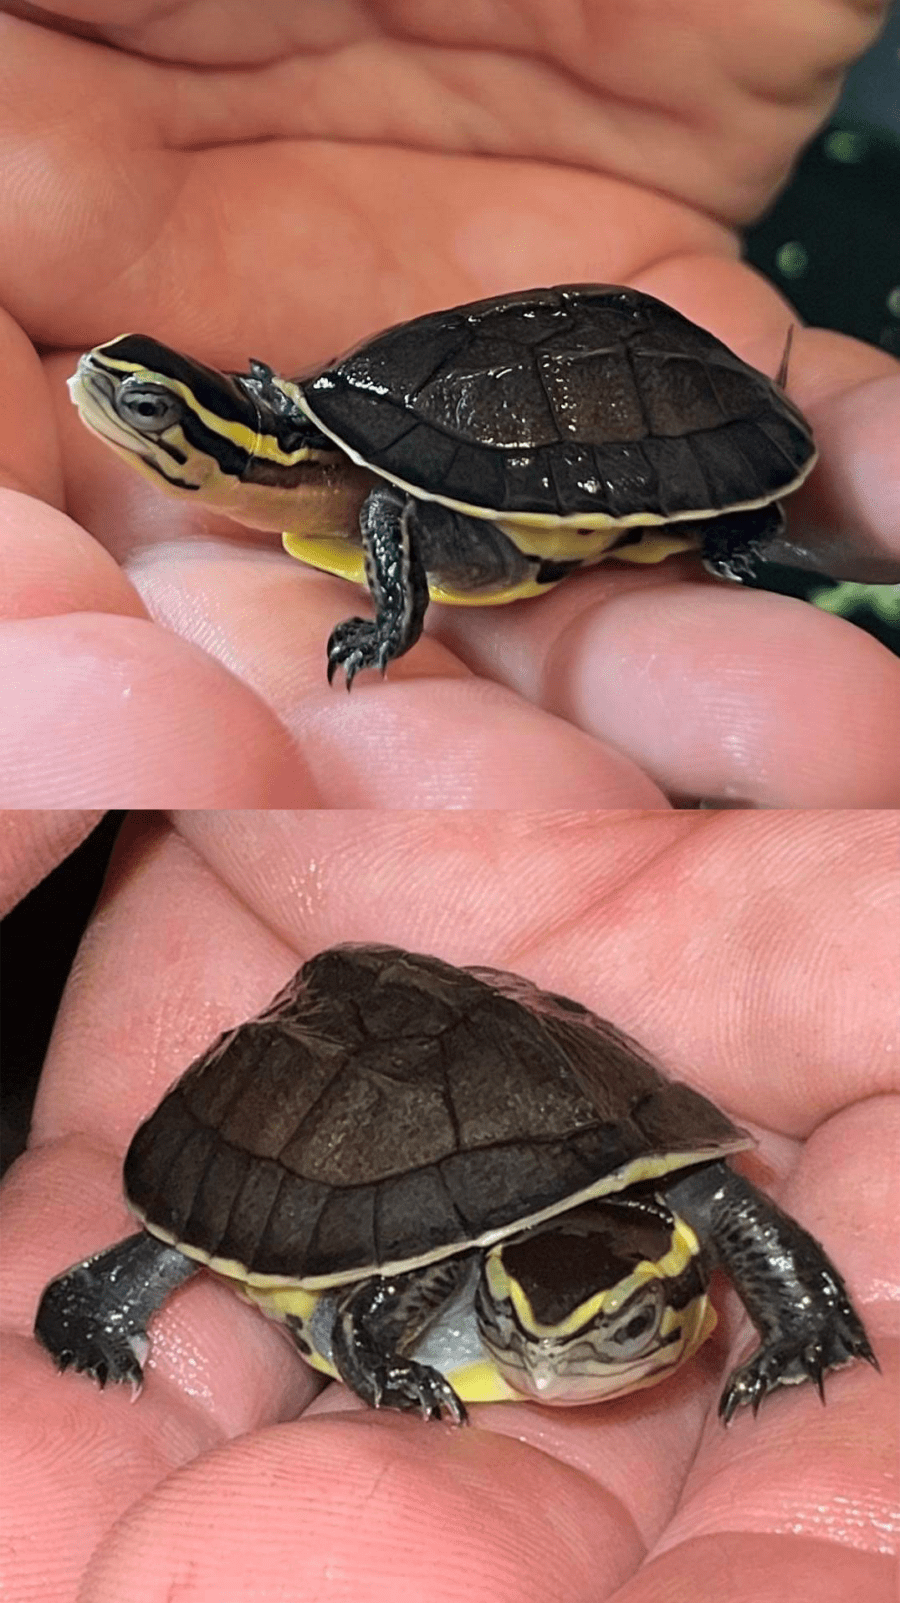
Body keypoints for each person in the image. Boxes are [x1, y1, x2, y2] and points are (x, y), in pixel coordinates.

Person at [1, 3, 898, 808]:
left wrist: (393, 621)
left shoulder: (364, 482)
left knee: (399, 500)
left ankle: (737, 516)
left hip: (642, 388)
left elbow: (390, 495)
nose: (103, 393)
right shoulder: (323, 425)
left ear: (214, 445)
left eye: (149, 408)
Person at [4, 806, 895, 1601]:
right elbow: (391, 1298)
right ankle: (109, 1287)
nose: (547, 1362)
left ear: (679, 1283)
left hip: (552, 1086)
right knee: (189, 1243)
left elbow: (726, 1200)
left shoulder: (685, 1200)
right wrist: (383, 1365)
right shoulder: (467, 1255)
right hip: (315, 1110)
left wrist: (801, 1318)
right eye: (514, 1323)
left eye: (619, 1327)